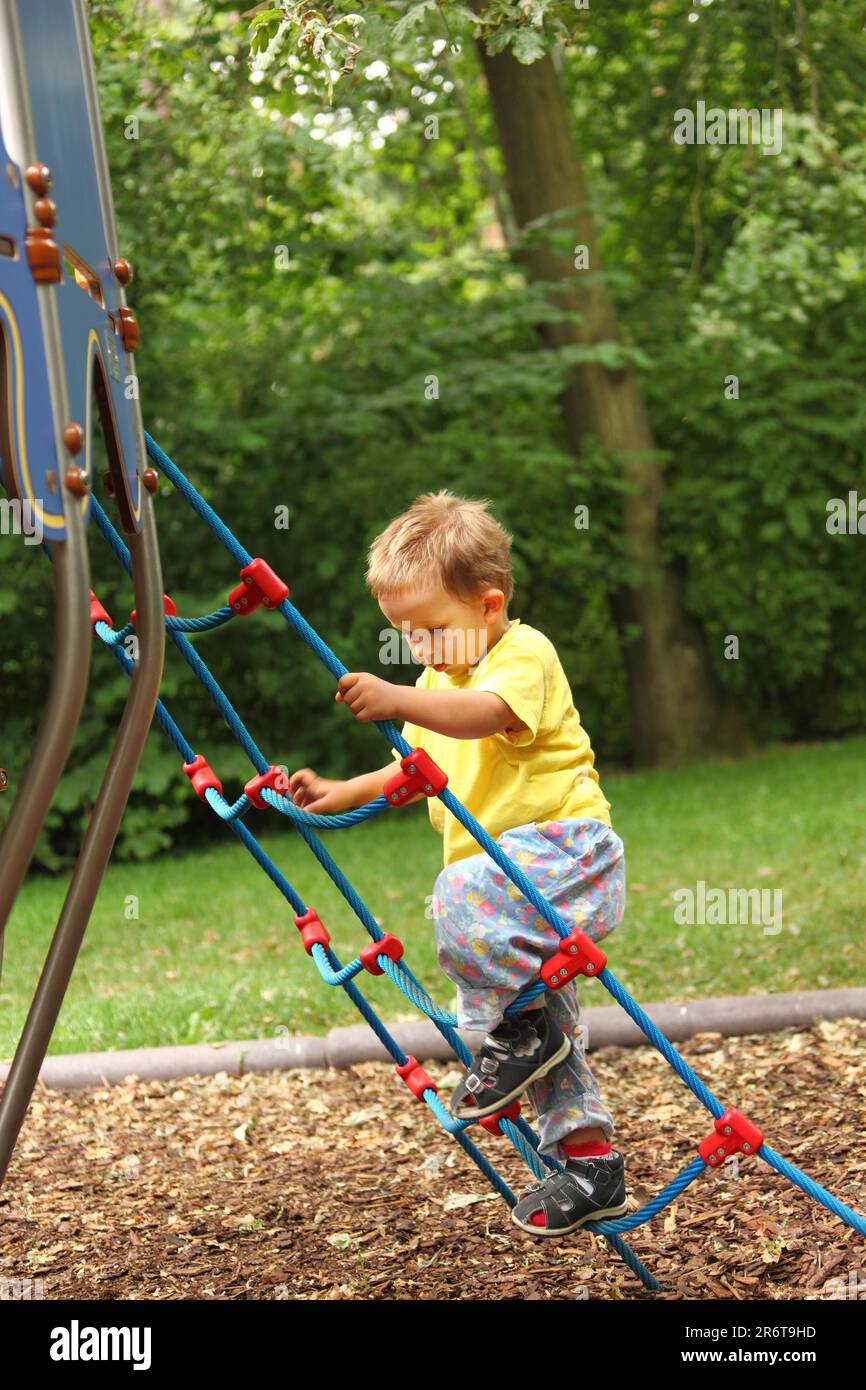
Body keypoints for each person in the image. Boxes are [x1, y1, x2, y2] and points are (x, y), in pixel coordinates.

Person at [287, 490, 628, 1237]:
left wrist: (397, 697)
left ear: (489, 603)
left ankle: (524, 1031)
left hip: (566, 857)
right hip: (511, 897)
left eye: (431, 630)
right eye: (404, 637)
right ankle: (592, 1165)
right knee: (537, 1047)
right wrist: (340, 789)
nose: (419, 651)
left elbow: (487, 716)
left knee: (459, 897)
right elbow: (416, 771)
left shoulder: (521, 655)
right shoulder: (439, 683)